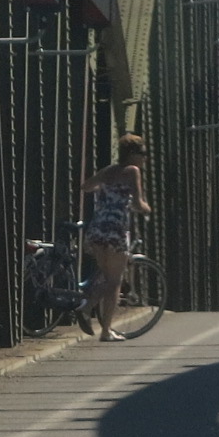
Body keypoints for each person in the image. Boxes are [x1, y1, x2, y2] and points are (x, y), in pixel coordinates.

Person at [81, 134, 151, 341]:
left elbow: (85, 186)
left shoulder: (109, 171)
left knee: (107, 277)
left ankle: (94, 315)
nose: (144, 158)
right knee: (115, 281)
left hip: (97, 228)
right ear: (132, 154)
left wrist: (103, 190)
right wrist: (147, 209)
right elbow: (138, 203)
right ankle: (96, 318)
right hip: (116, 230)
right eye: (142, 154)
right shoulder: (132, 171)